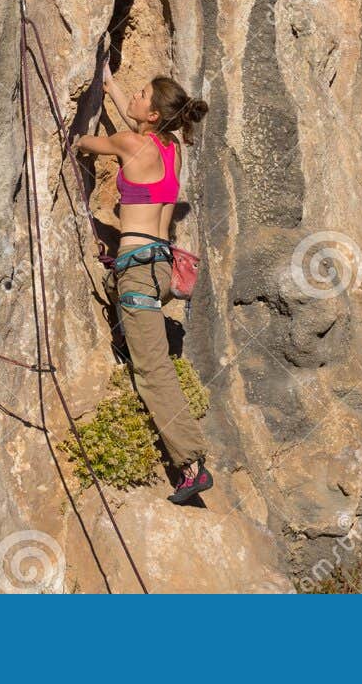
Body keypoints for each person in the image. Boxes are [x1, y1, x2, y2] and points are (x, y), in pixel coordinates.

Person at [76, 66, 212, 504]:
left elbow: (85, 144)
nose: (131, 98)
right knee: (130, 316)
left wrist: (80, 132)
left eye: (139, 95)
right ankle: (120, 319)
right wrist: (111, 85)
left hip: (137, 270)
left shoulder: (129, 144)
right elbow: (137, 134)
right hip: (160, 269)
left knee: (153, 370)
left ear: (152, 114)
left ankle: (190, 464)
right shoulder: (170, 150)